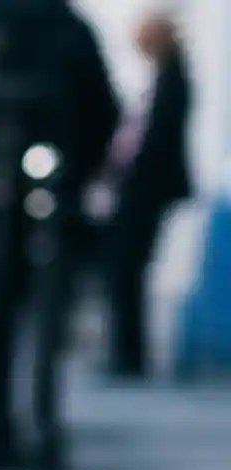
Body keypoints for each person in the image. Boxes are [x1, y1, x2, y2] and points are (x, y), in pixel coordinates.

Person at [0, 0, 119, 470]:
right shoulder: (68, 27)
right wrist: (77, 173)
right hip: (54, 200)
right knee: (46, 321)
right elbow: (103, 111)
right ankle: (39, 430)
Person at [102, 12, 192, 379]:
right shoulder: (157, 79)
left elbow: (157, 142)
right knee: (125, 271)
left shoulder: (173, 81)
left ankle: (129, 356)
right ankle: (125, 352)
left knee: (128, 269)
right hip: (138, 191)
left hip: (146, 193)